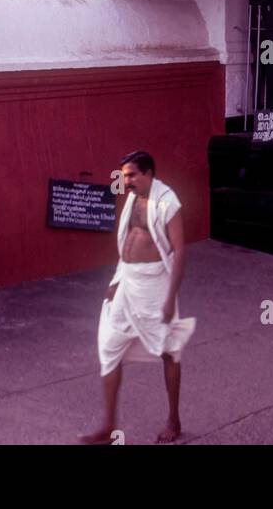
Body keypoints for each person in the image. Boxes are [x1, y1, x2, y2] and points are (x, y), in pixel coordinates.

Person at [80, 150, 195, 445]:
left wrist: (170, 299)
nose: (125, 180)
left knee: (169, 350)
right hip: (127, 281)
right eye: (124, 175)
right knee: (109, 345)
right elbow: (127, 240)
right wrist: (117, 280)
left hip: (156, 283)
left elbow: (180, 251)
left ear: (148, 173)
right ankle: (108, 425)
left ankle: (174, 419)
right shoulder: (132, 198)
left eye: (131, 174)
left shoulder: (168, 202)